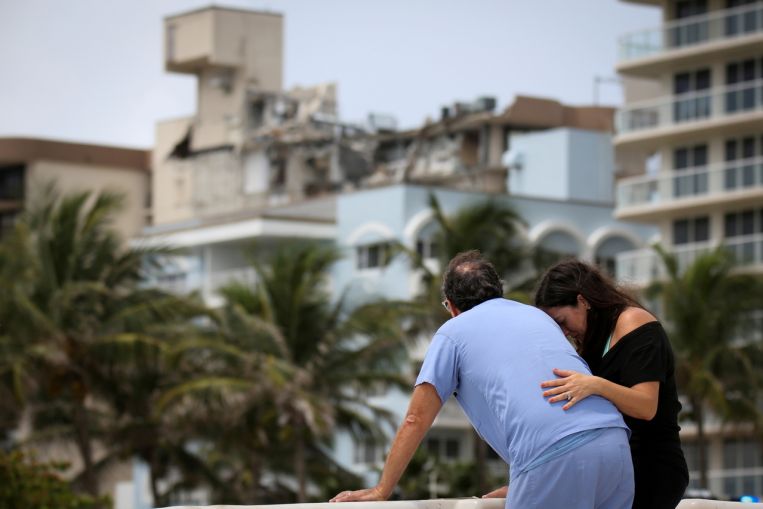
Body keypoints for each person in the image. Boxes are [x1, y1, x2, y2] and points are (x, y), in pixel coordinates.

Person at [331, 251, 634, 509]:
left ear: (451, 306)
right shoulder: (536, 316)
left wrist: (381, 490)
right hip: (614, 444)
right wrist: (525, 479)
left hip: (553, 458)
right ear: (497, 292)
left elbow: (415, 418)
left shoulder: (454, 332)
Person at [534, 259, 689, 509]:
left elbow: (646, 406)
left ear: (582, 301)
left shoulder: (634, 322)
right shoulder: (594, 340)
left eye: (562, 321)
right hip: (613, 470)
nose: (563, 332)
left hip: (652, 468)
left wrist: (595, 385)